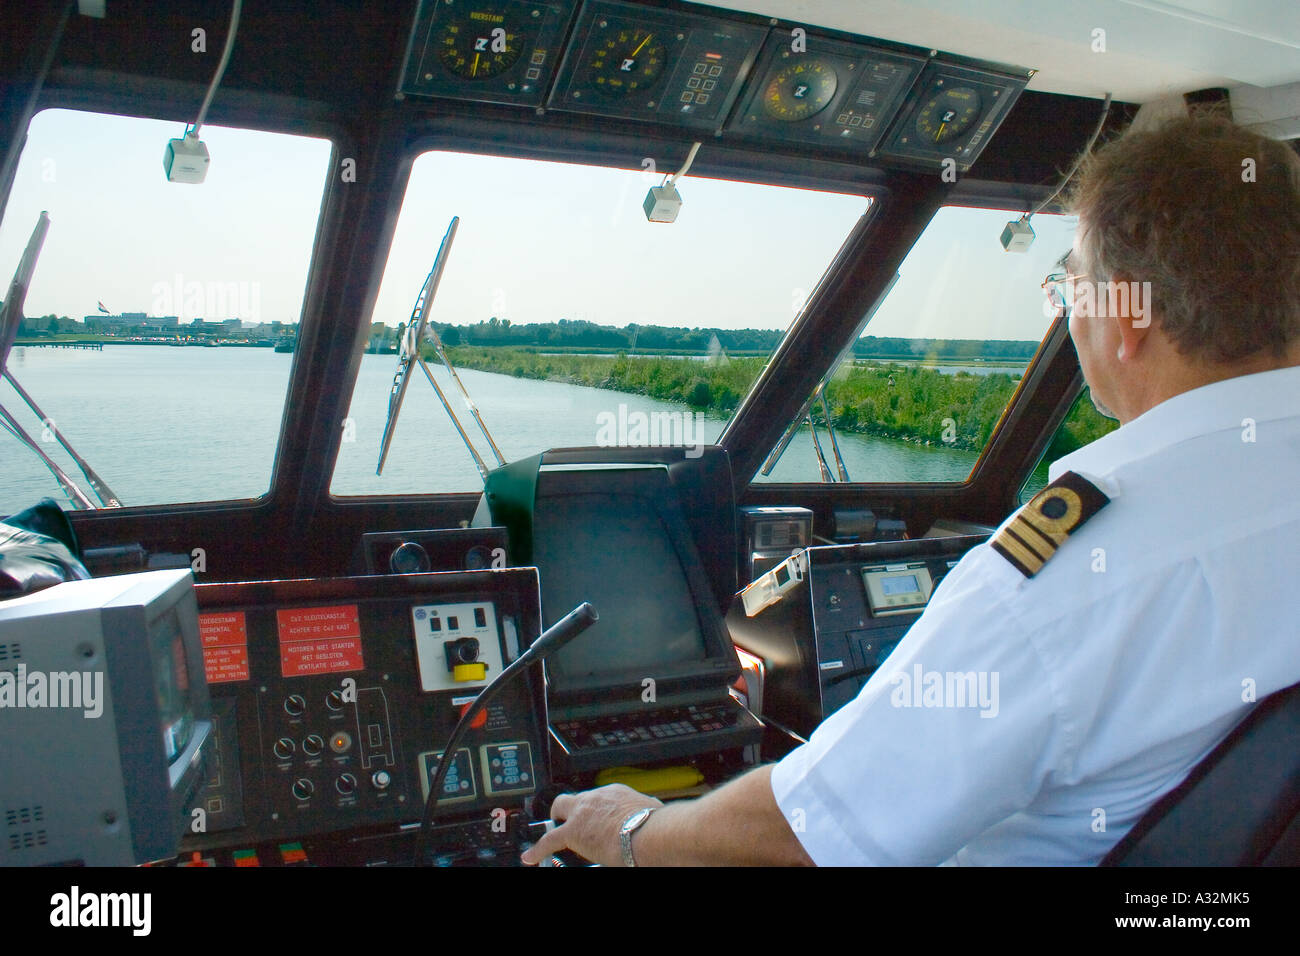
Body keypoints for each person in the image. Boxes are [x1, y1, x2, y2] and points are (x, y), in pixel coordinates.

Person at [520, 113, 1300, 866]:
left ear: (1126, 317)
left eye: (1073, 287)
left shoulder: (1067, 580)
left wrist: (630, 833)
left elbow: (809, 838)